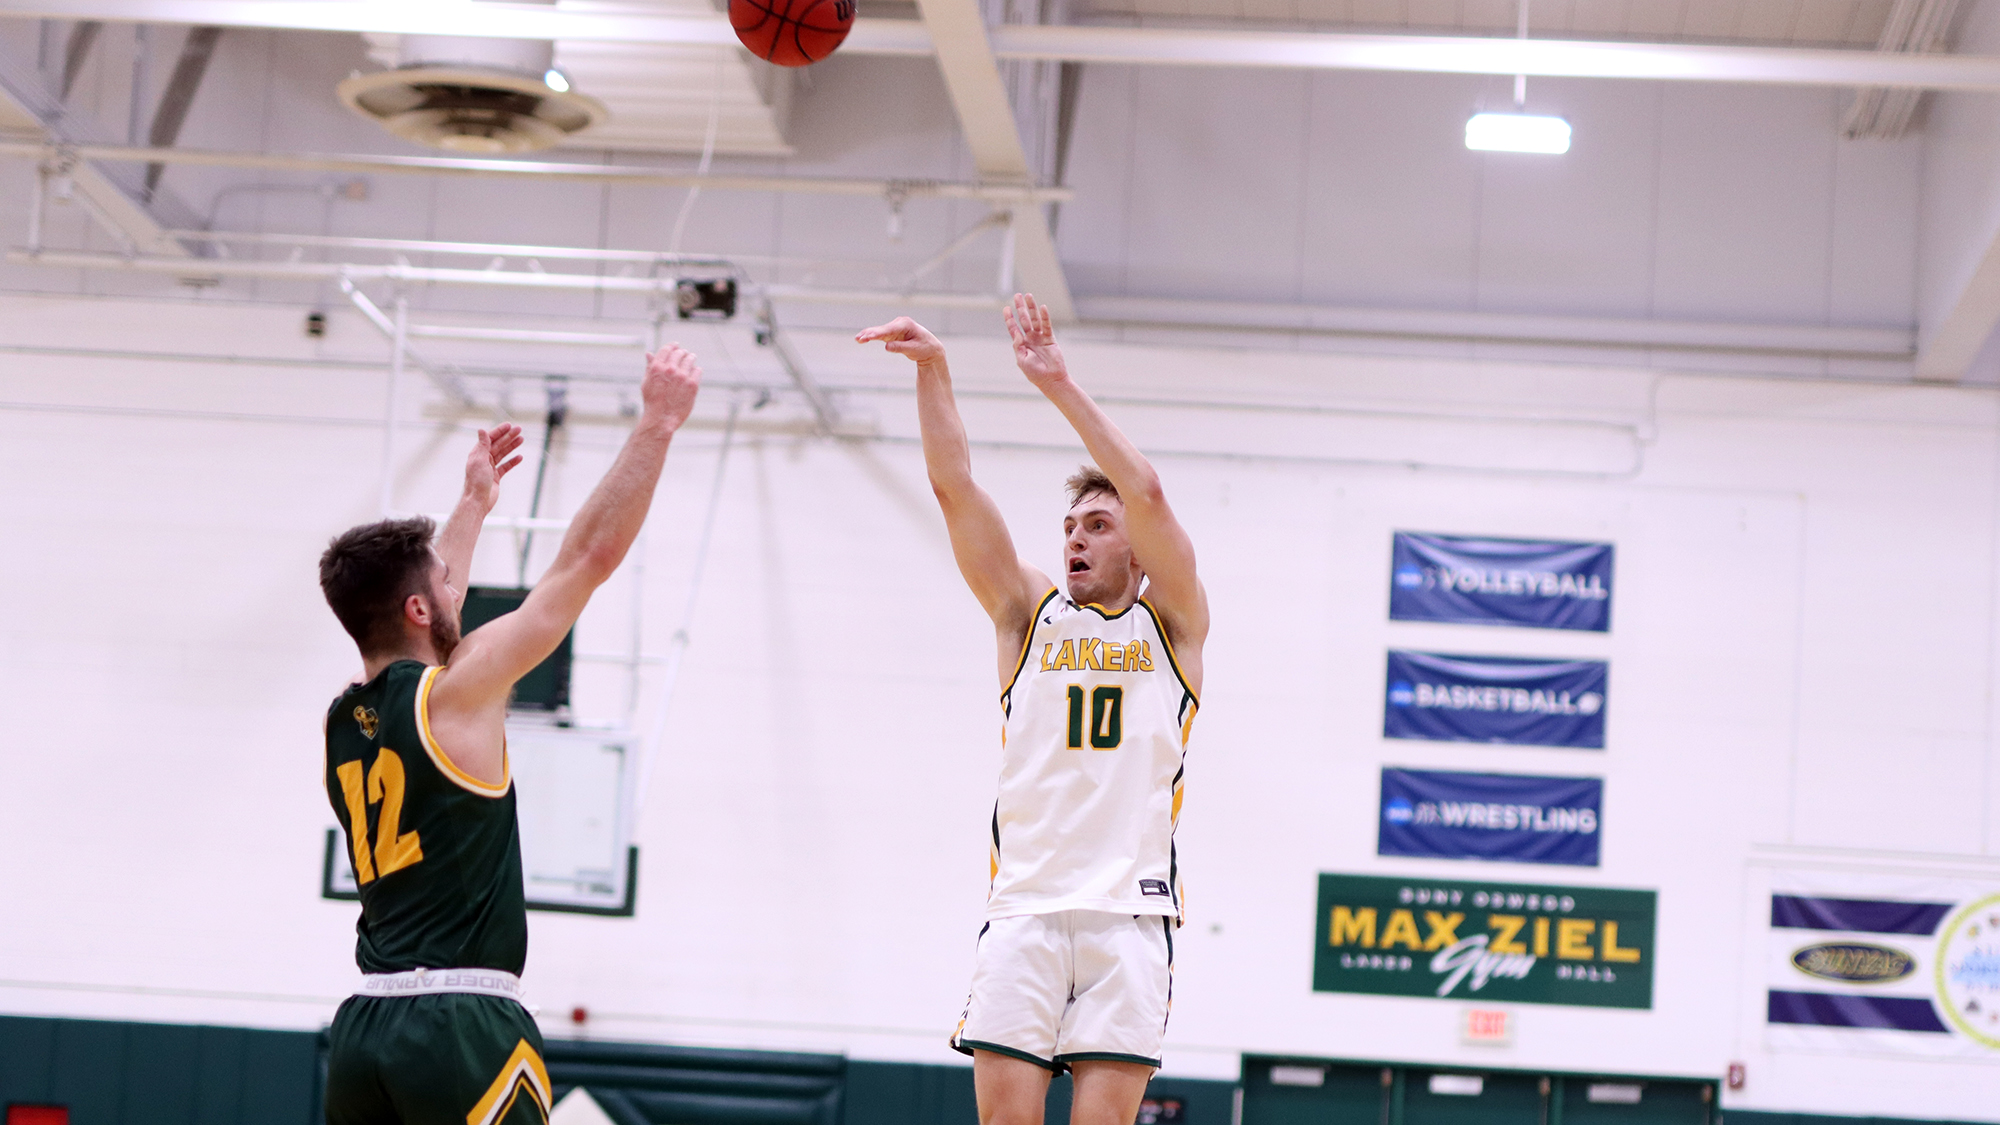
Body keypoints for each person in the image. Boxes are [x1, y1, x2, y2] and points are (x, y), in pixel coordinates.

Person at [315, 345, 702, 1125]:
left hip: (362, 1028)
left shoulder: (343, 718)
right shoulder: (461, 692)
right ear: (422, 609)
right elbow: (586, 559)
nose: (456, 585)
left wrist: (472, 506)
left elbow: (436, 601)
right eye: (440, 583)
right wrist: (657, 425)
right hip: (458, 1021)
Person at [857, 294, 1209, 1125]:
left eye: (1097, 523)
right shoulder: (1029, 614)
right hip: (1025, 907)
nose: (1075, 539)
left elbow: (1149, 491)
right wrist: (935, 372)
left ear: (1136, 550)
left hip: (1129, 916)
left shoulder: (1175, 627)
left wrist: (1055, 381)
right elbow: (955, 489)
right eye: (1069, 527)